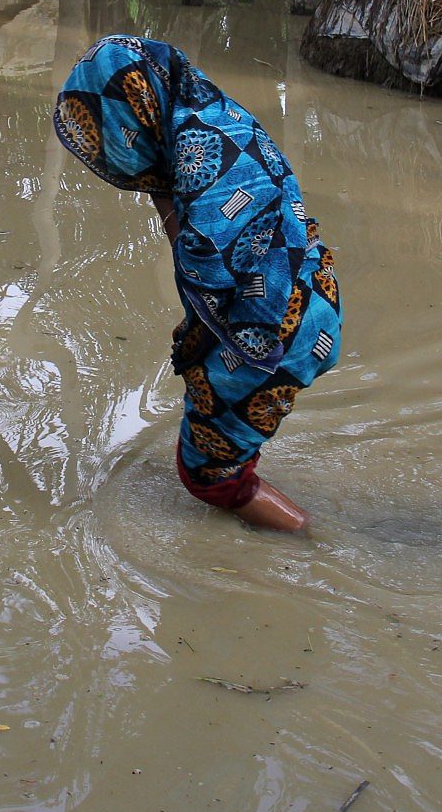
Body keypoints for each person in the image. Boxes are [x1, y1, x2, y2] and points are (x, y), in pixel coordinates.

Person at [54, 35, 341, 532]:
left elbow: (208, 269)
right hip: (314, 292)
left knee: (209, 477)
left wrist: (192, 346)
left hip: (276, 331)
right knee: (223, 439)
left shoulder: (199, 165)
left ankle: (317, 540)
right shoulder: (215, 117)